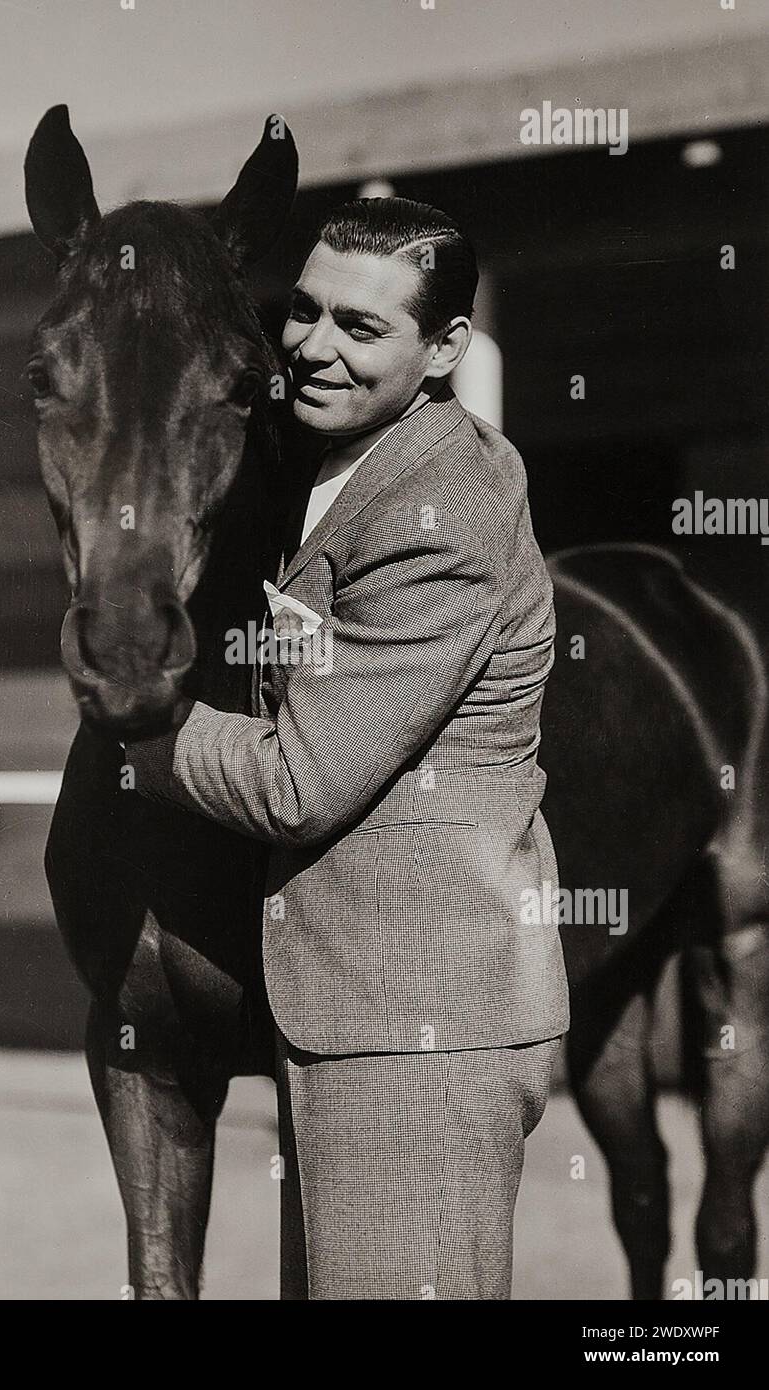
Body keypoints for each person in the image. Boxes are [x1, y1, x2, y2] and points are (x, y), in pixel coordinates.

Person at [128, 197, 569, 1300]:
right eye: (305, 311)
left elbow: (297, 784)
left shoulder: (446, 502)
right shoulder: (343, 465)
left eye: (360, 328)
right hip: (347, 1016)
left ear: (443, 350)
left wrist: (133, 729)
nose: (313, 347)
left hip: (420, 1029)